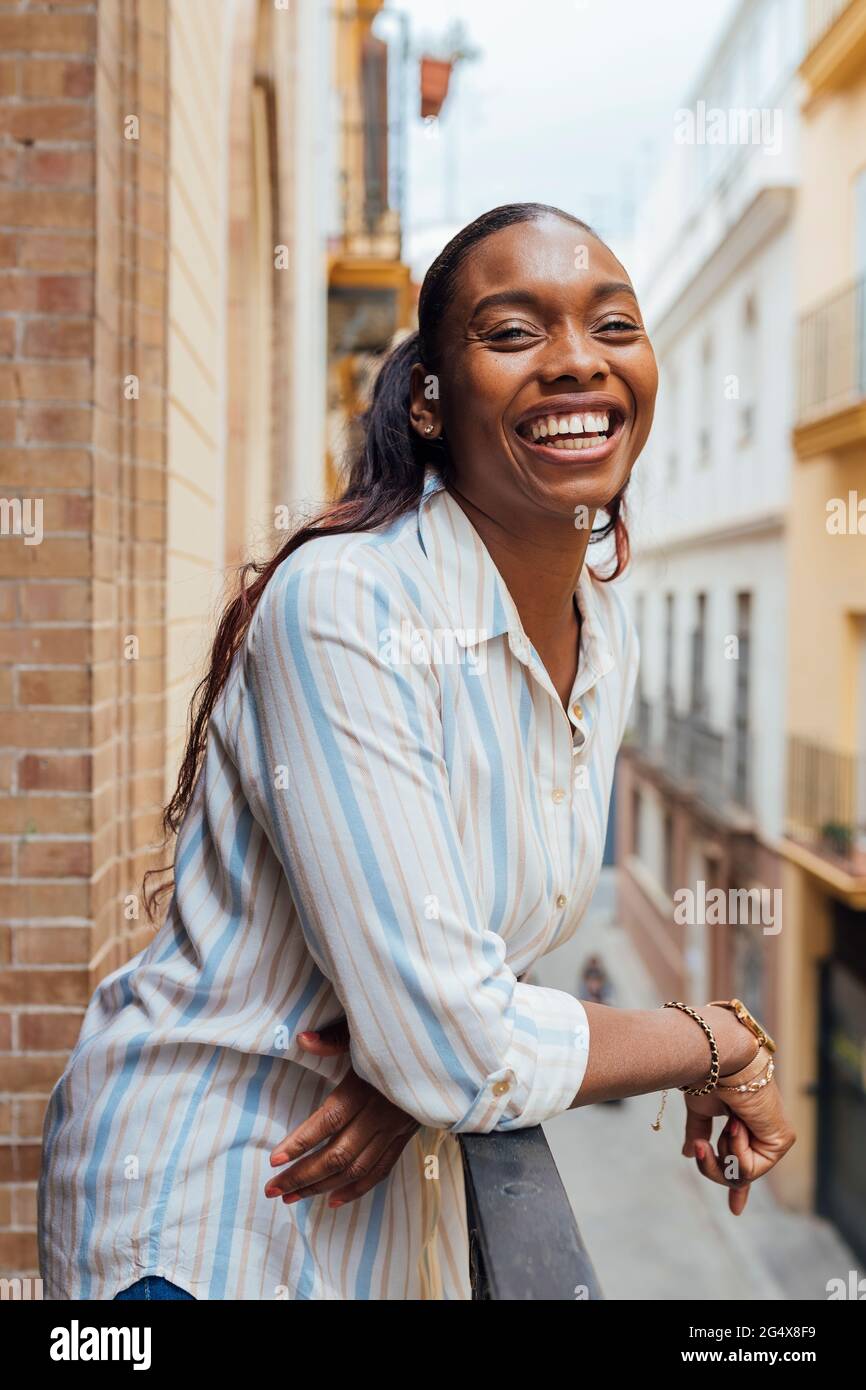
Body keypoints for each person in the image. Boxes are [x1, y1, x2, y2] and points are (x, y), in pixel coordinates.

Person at [37, 203, 795, 1302]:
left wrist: (425, 1055)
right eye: (511, 331)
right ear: (431, 401)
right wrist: (716, 1037)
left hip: (379, 1237)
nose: (575, 361)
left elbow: (460, 995)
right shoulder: (350, 604)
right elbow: (449, 1037)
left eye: (611, 324)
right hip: (205, 1221)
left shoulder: (604, 628)